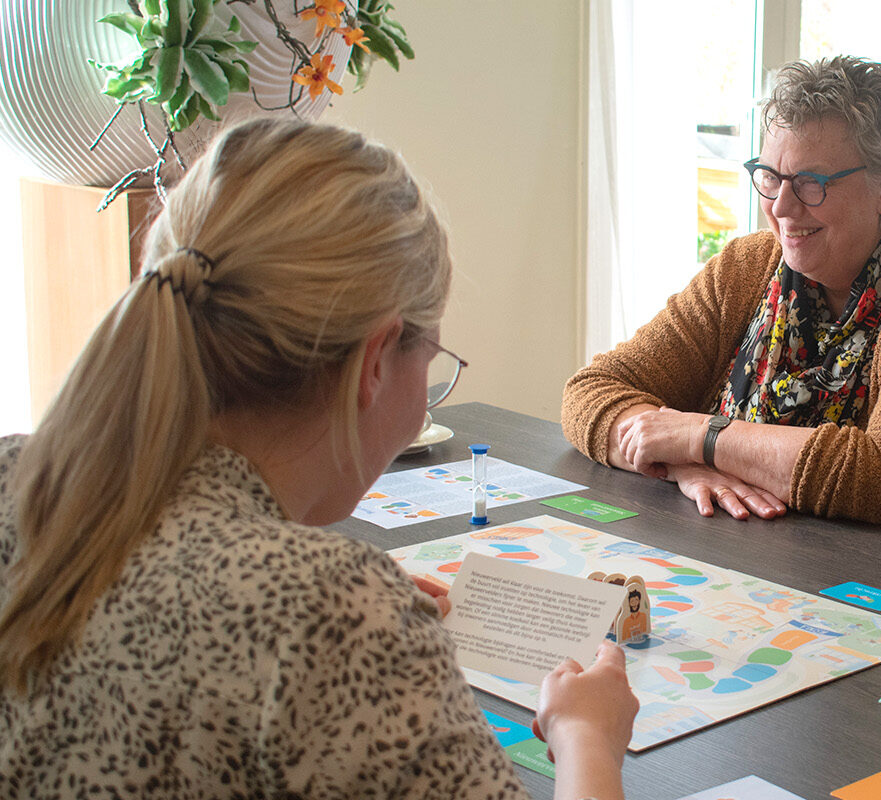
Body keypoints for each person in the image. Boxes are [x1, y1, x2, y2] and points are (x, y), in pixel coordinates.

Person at [0, 118, 637, 798]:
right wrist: (586, 739)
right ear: (373, 362)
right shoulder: (333, 613)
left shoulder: (19, 478)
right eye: (433, 360)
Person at [562, 56, 881, 529]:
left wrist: (702, 435)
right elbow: (591, 391)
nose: (781, 206)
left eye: (811, 183)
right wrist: (678, 464)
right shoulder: (747, 267)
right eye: (771, 177)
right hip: (734, 561)